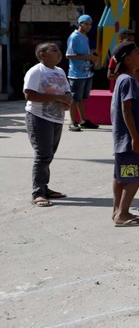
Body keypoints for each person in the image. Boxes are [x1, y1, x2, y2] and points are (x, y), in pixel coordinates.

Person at [24, 42, 73, 207]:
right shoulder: (36, 71)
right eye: (54, 50)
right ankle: (37, 193)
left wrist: (67, 101)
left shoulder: (59, 71)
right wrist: (56, 98)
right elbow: (29, 94)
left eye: (59, 50)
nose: (59, 53)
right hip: (39, 118)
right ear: (42, 55)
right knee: (43, 155)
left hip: (56, 118)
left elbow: (67, 91)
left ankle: (44, 187)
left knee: (49, 155)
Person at [109, 41, 139, 227]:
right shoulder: (128, 80)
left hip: (122, 140)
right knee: (134, 176)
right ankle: (122, 213)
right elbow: (126, 110)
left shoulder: (123, 79)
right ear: (127, 59)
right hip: (130, 139)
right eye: (138, 52)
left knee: (121, 175)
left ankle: (117, 210)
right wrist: (135, 137)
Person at [66, 14, 99, 131]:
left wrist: (92, 54)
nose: (88, 26)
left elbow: (84, 52)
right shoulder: (74, 37)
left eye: (90, 24)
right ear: (80, 24)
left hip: (86, 72)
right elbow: (69, 55)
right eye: (86, 24)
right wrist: (88, 56)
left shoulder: (85, 37)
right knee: (75, 98)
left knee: (83, 98)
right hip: (76, 74)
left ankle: (84, 120)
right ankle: (72, 121)